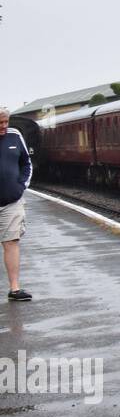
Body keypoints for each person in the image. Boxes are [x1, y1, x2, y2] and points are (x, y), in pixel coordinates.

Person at [0, 107, 33, 301]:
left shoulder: (15, 135)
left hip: (12, 201)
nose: (4, 127)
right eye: (0, 124)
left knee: (11, 242)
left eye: (6, 122)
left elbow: (26, 163)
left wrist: (21, 186)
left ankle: (14, 288)